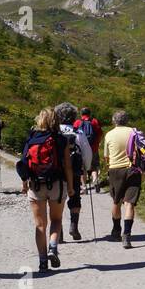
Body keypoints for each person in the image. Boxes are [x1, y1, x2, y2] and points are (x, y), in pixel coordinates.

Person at [17, 107, 76, 272]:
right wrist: (71, 187)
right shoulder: (61, 139)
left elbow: (22, 164)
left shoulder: (31, 138)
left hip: (36, 185)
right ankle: (53, 247)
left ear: (39, 120)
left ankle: (43, 262)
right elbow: (68, 166)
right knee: (56, 220)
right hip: (57, 184)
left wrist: (24, 184)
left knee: (40, 225)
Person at [101, 110, 145, 249]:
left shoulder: (109, 135)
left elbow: (106, 157)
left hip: (115, 170)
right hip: (133, 170)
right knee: (129, 204)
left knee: (116, 201)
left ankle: (116, 230)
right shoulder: (134, 132)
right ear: (127, 120)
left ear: (114, 121)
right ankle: (126, 235)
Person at [55, 103, 94, 241]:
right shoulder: (78, 132)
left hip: (57, 172)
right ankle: (73, 225)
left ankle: (58, 232)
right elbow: (87, 153)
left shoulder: (54, 132)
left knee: (57, 201)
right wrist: (86, 168)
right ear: (73, 117)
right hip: (75, 171)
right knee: (75, 199)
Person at [73, 107, 103, 192]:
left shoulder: (77, 122)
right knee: (94, 166)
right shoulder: (94, 121)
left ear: (81, 114)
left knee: (83, 168)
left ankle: (84, 186)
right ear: (89, 113)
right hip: (93, 148)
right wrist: (97, 143)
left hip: (81, 148)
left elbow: (74, 135)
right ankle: (95, 181)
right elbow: (100, 134)